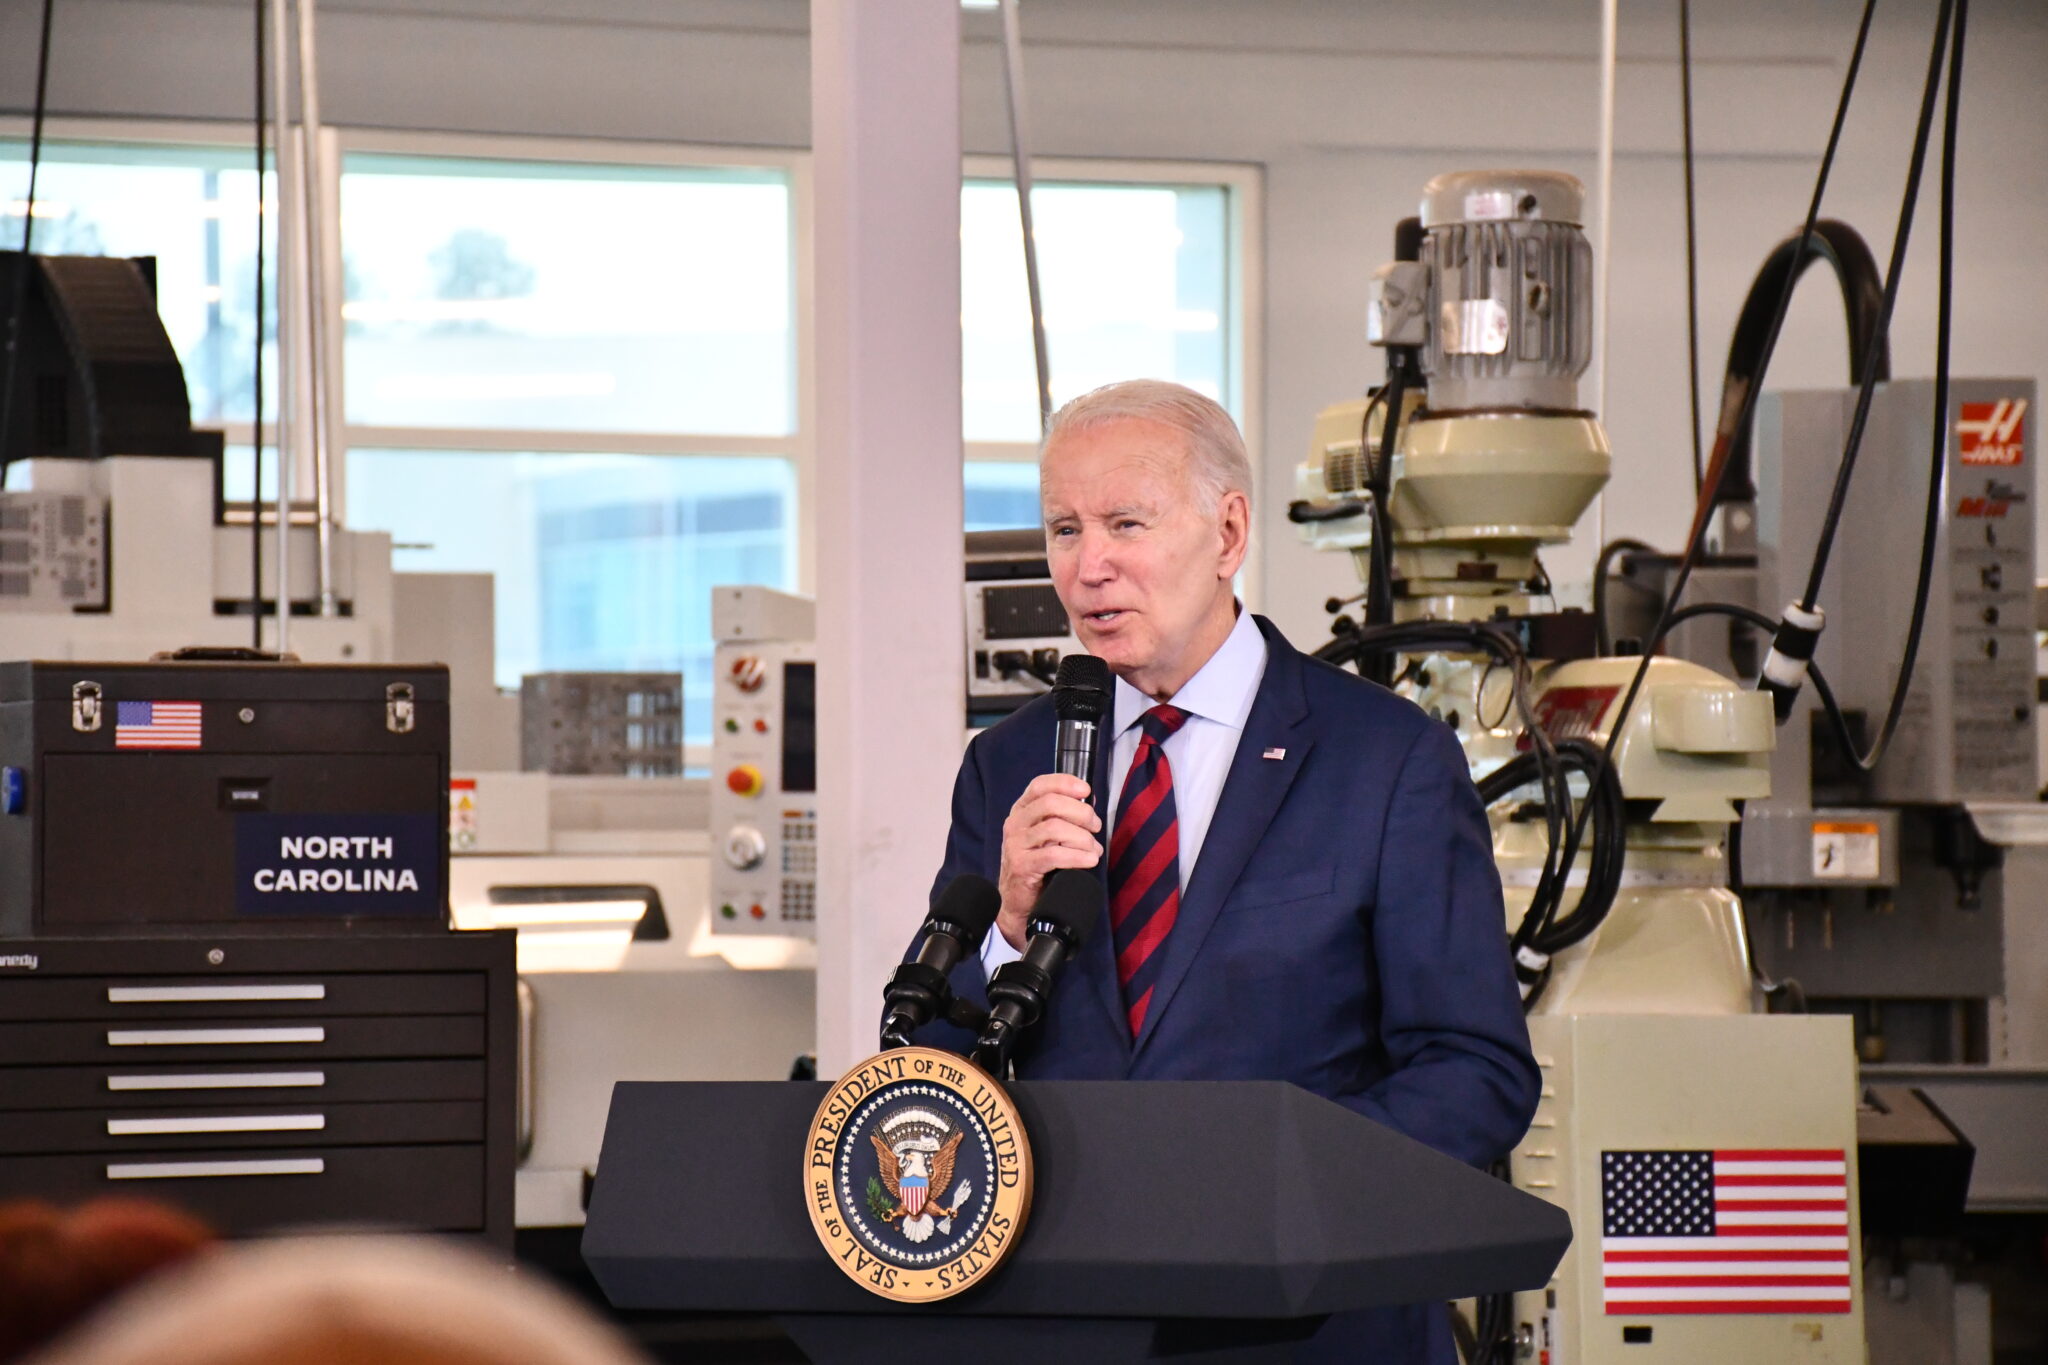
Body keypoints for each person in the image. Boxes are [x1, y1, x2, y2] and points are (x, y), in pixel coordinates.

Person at [915, 378, 1540, 1364]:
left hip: (1314, 1325)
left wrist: (1275, 1188)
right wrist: (1003, 928)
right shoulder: (1008, 765)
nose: (1088, 568)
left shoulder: (1385, 760)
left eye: (1126, 522)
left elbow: (1475, 1073)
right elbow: (939, 1068)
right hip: (1069, 1327)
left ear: (1227, 530)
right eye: (1063, 529)